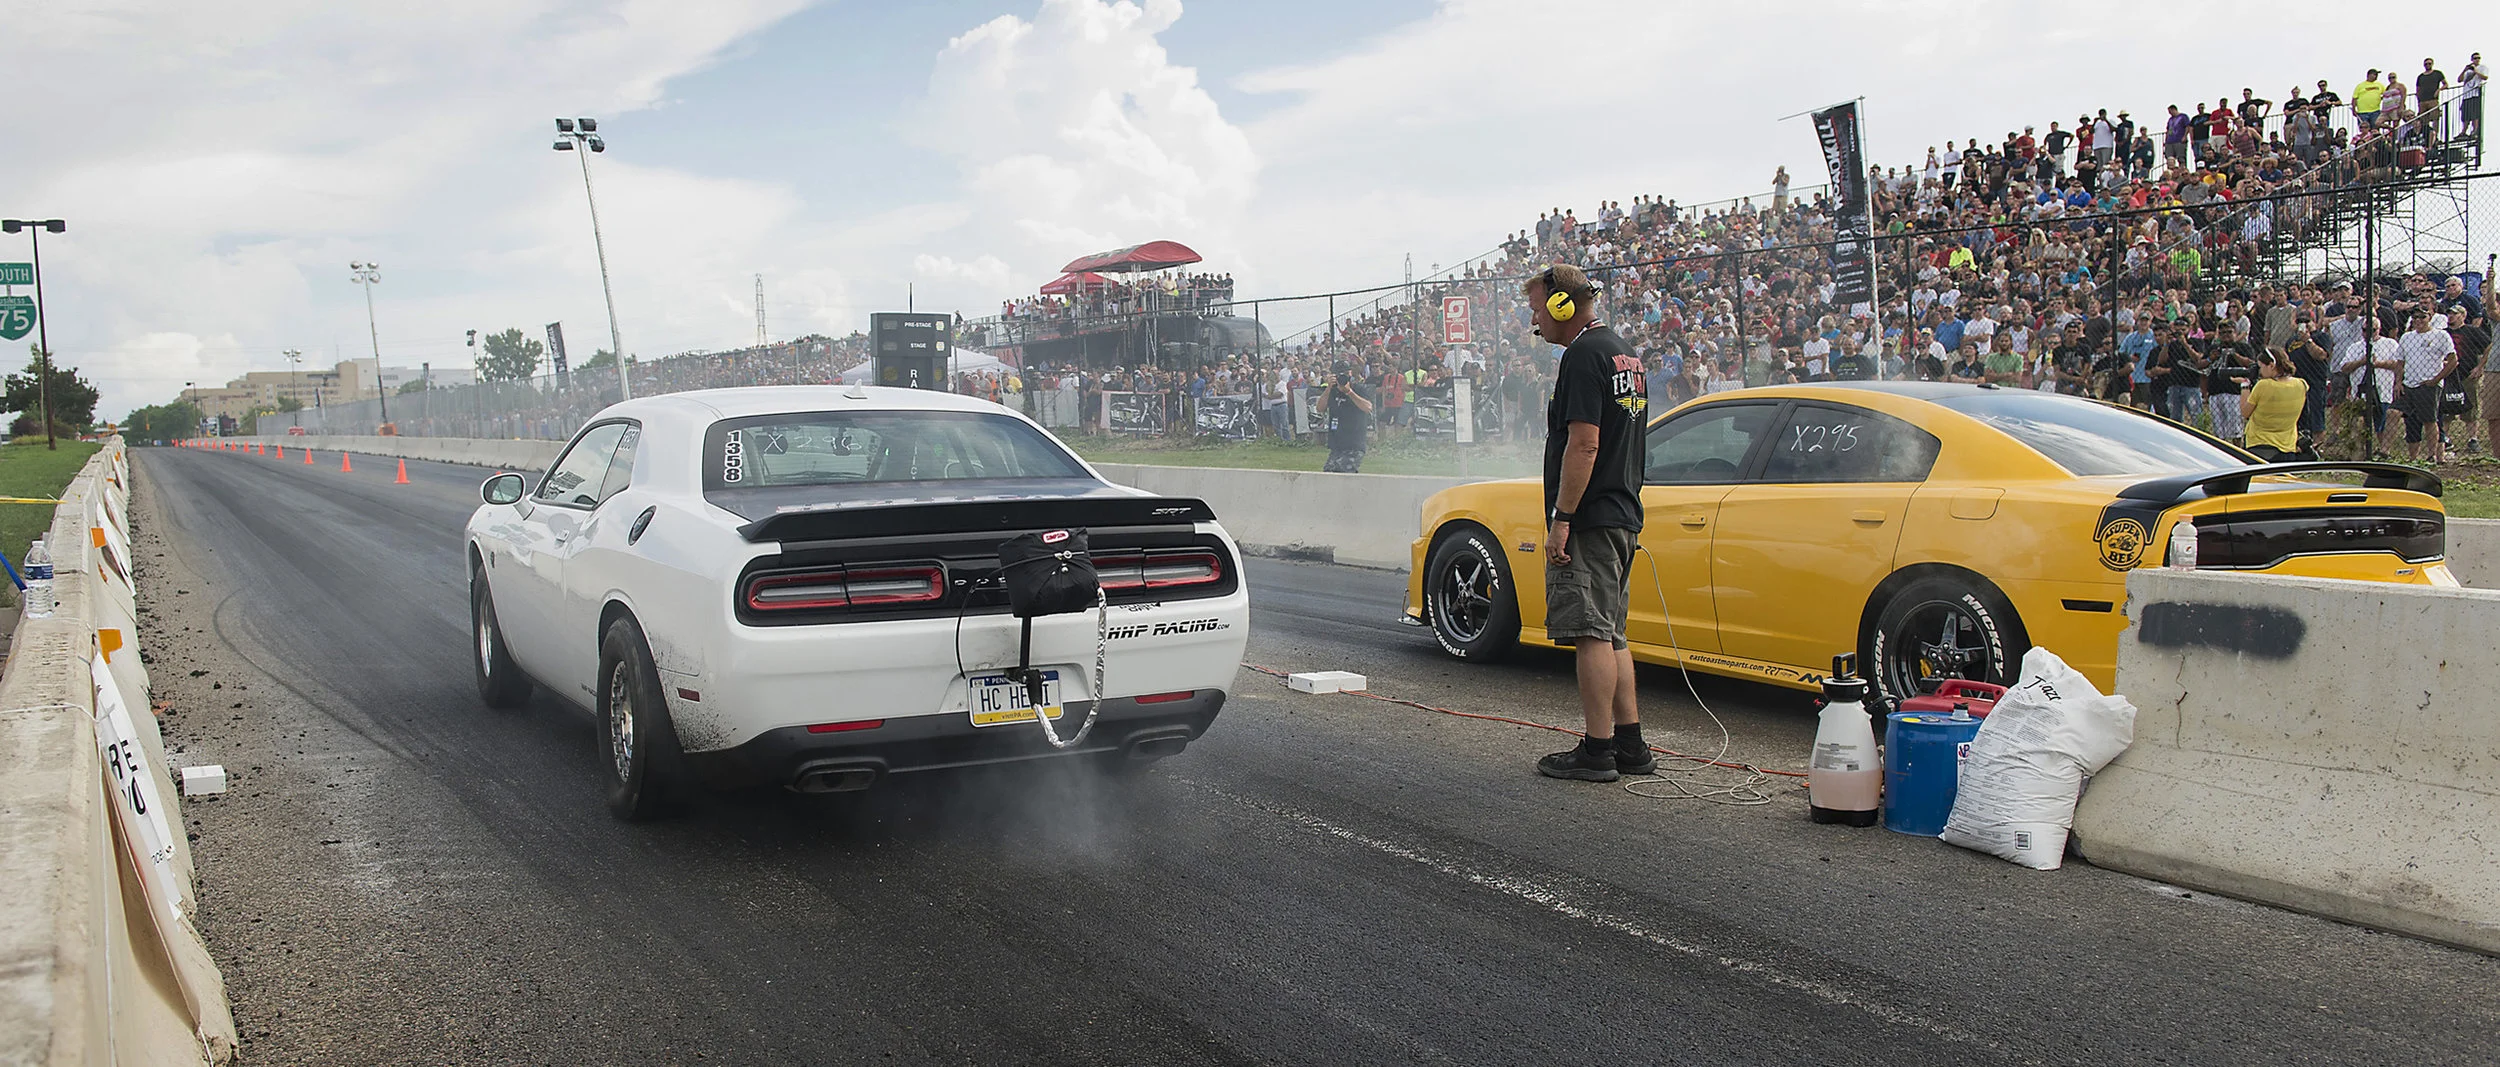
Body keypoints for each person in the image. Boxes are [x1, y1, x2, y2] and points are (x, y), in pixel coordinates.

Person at [1525, 264, 1650, 783]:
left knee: (1591, 634)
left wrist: (1563, 519)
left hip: (1591, 517)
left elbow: (1585, 443)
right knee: (1612, 633)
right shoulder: (1624, 352)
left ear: (1562, 305)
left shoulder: (1581, 356)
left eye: (1538, 309)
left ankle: (1598, 750)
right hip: (1621, 512)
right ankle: (1630, 744)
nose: (1535, 321)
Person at [2395, 309, 2458, 464]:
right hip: (2409, 384)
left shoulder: (2440, 335)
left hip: (2428, 385)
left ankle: (2431, 455)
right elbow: (2400, 362)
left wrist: (2436, 380)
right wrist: (2398, 382)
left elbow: (2453, 360)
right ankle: (2412, 458)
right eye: (2415, 317)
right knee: (2404, 418)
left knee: (2429, 420)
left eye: (2422, 317)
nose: (2418, 320)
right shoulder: (2406, 337)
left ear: (2430, 317)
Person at [2241, 351, 2308, 461]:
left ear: (2271, 365)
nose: (2260, 372)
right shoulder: (2301, 384)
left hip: (2260, 446)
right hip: (2287, 447)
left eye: (2261, 367)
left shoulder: (2263, 385)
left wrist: (2244, 386)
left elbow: (2245, 412)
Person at [1321, 360, 1374, 472]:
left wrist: (1349, 392)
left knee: (1344, 471)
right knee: (1328, 473)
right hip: (1337, 444)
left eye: (1345, 373)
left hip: (1354, 443)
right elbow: (1320, 408)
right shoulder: (1332, 391)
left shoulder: (1359, 389)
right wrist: (1328, 388)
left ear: (1350, 373)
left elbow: (1368, 407)